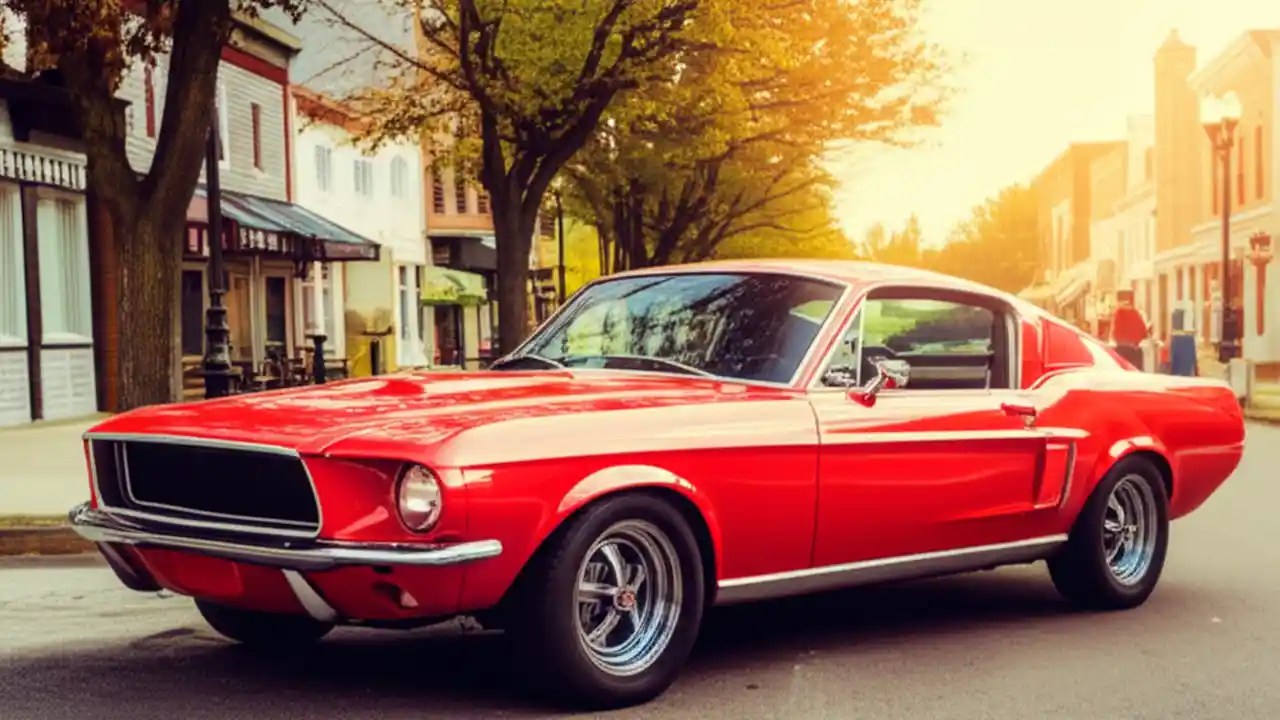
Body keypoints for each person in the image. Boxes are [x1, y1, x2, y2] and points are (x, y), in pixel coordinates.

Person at [1110, 290, 1148, 369]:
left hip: (1121, 349)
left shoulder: (1118, 313)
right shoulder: (1135, 313)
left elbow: (1114, 332)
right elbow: (1144, 332)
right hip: (1133, 349)